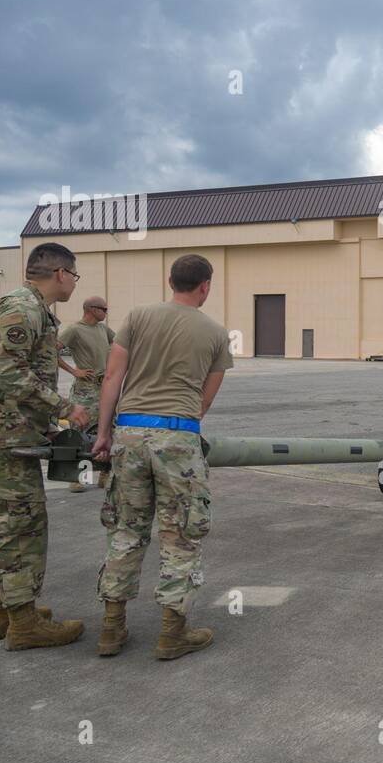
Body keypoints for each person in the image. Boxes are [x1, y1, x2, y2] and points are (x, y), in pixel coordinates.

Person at [90, 254, 233, 660]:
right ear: (205, 285)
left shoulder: (136, 317)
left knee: (126, 530)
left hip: (129, 434)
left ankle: (111, 631)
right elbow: (204, 401)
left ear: (170, 280)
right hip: (178, 435)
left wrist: (104, 434)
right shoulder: (216, 333)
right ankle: (173, 634)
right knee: (180, 534)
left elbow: (113, 377)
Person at [0, 242, 91, 650]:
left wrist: (47, 425)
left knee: (1, 525)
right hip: (0, 438)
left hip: (2, 433)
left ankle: (4, 612)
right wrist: (66, 407)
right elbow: (6, 372)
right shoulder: (24, 309)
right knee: (22, 527)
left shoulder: (31, 309)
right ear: (61, 274)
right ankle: (25, 624)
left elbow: (18, 378)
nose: (74, 284)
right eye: (75, 276)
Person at [58, 296, 114, 492]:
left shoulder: (103, 329)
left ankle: (106, 473)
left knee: (108, 430)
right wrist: (74, 370)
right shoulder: (75, 330)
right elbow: (51, 351)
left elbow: (120, 345)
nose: (106, 312)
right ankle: (80, 477)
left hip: (104, 387)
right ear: (91, 309)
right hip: (85, 389)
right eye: (103, 309)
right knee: (81, 431)